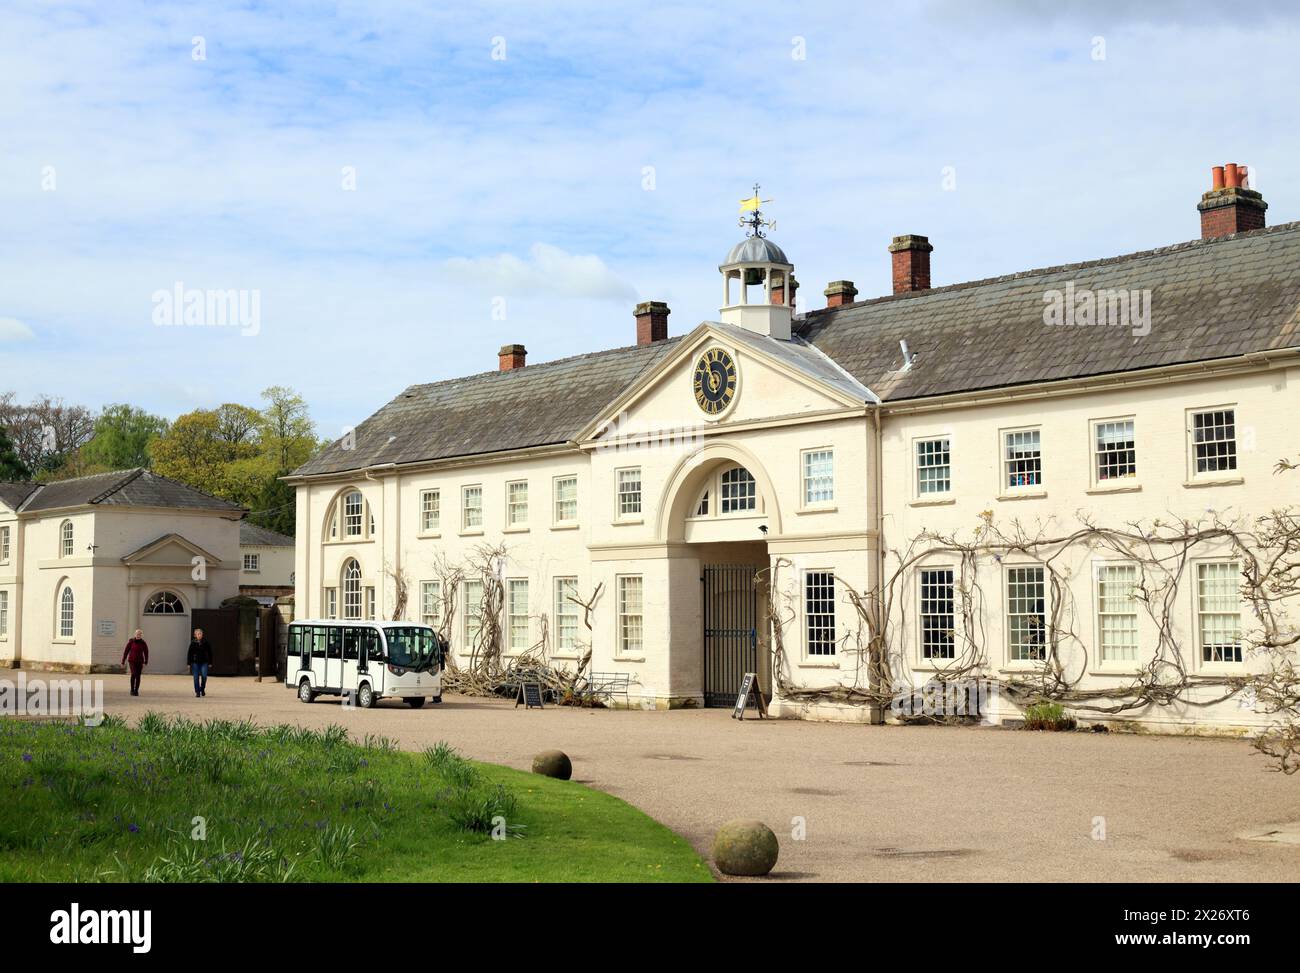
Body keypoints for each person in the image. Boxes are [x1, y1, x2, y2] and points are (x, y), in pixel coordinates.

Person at [187, 627, 213, 698]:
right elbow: (189, 653)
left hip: (204, 662)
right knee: (196, 677)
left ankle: (202, 688)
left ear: (202, 634)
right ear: (195, 635)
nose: (199, 635)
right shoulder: (193, 643)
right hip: (195, 662)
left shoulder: (206, 643)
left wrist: (210, 662)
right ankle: (197, 692)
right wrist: (189, 663)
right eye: (197, 634)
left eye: (200, 634)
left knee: (204, 676)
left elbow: (210, 652)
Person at [121, 630, 149, 696]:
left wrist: (146, 661)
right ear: (135, 634)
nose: (138, 635)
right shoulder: (131, 642)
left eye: (140, 634)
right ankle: (132, 689)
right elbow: (126, 651)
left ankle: (136, 690)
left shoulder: (143, 643)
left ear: (142, 635)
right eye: (137, 634)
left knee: (138, 675)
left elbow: (146, 652)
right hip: (132, 661)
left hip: (140, 661)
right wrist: (123, 661)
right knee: (134, 674)